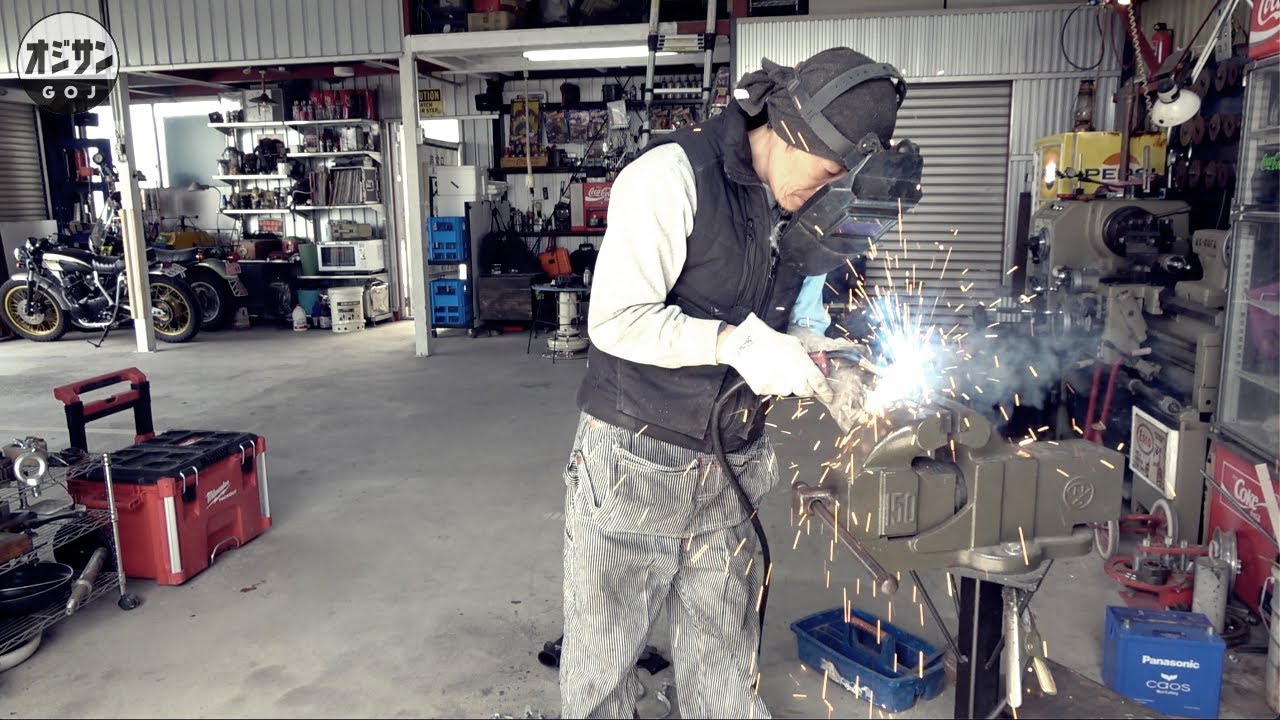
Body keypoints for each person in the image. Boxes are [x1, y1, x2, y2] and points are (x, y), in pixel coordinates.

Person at [558, 47, 908, 719]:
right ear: (791, 129)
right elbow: (615, 321)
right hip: (637, 457)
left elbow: (792, 320)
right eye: (828, 172)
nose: (828, 190)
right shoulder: (670, 177)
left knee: (725, 656)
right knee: (602, 667)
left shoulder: (807, 214)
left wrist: (821, 363)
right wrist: (730, 344)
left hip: (733, 465)